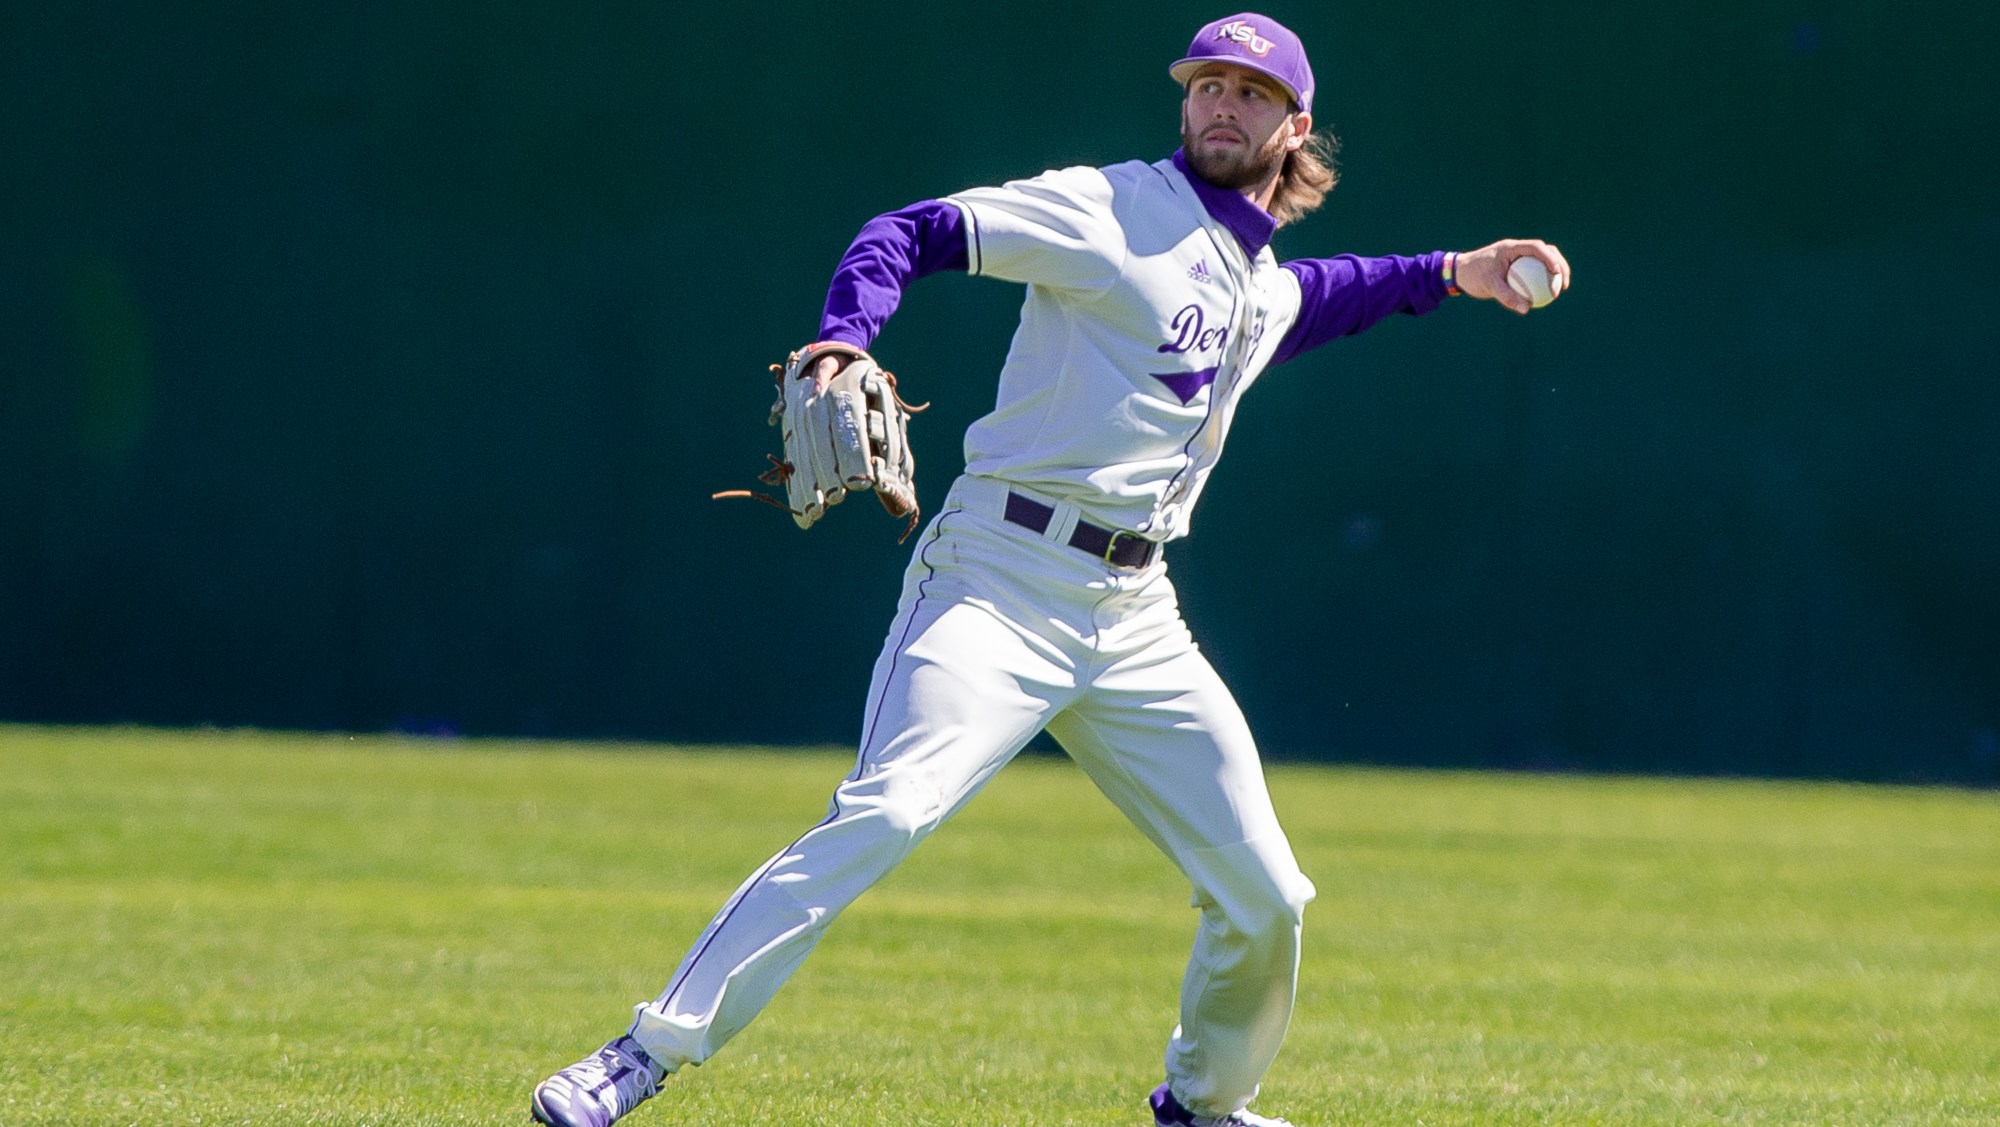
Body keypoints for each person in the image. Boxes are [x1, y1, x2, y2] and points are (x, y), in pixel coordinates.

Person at [530, 12, 1569, 1127]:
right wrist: (845, 334)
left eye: (1250, 93)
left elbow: (1328, 295)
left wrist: (1459, 272)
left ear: (1293, 125)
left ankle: (1204, 1102)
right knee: (887, 808)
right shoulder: (1110, 208)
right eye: (1205, 84)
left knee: (1266, 895)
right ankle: (644, 1050)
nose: (1222, 103)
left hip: (1134, 615)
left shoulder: (1254, 280)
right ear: (1181, 103)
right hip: (996, 578)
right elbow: (909, 231)